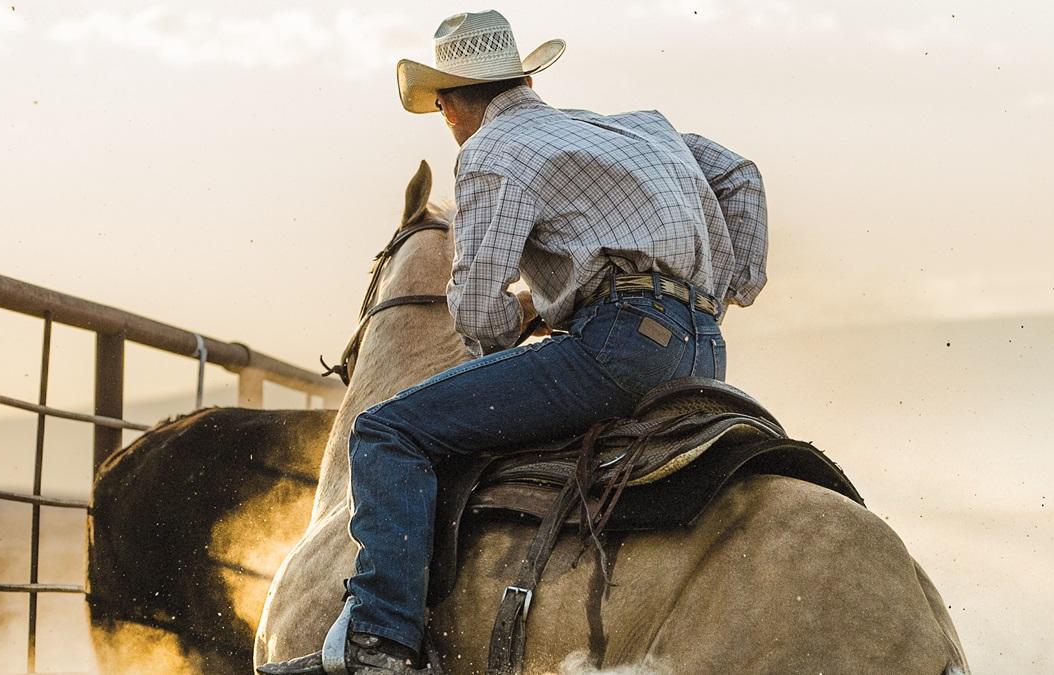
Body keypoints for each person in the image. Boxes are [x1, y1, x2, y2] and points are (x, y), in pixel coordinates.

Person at [259, 9, 767, 675]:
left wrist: (518, 328)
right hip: (703, 353)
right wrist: (727, 287)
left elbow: (475, 311)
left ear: (448, 105)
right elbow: (740, 176)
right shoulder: (642, 127)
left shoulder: (490, 152)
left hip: (615, 350)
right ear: (527, 74)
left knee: (387, 430)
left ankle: (379, 643)